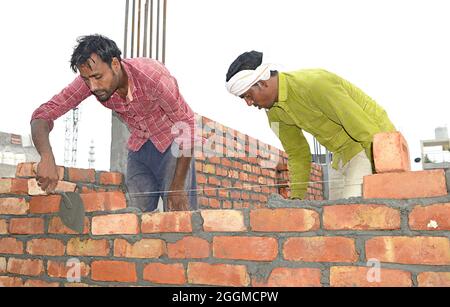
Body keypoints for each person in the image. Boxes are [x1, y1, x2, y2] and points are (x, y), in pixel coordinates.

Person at [30, 34, 198, 212]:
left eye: (97, 77)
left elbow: (186, 124)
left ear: (115, 64)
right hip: (139, 147)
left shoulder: (152, 76)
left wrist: (178, 186)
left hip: (172, 146)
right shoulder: (90, 80)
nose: (93, 87)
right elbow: (42, 115)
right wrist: (46, 156)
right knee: (134, 217)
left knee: (180, 215)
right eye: (87, 80)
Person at [225, 51, 396, 199]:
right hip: (341, 155)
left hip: (372, 143)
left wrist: (386, 170)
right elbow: (297, 153)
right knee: (335, 214)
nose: (249, 103)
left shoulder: (315, 84)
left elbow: (364, 129)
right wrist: (296, 198)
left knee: (352, 213)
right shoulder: (274, 114)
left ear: (262, 83)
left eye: (248, 95)